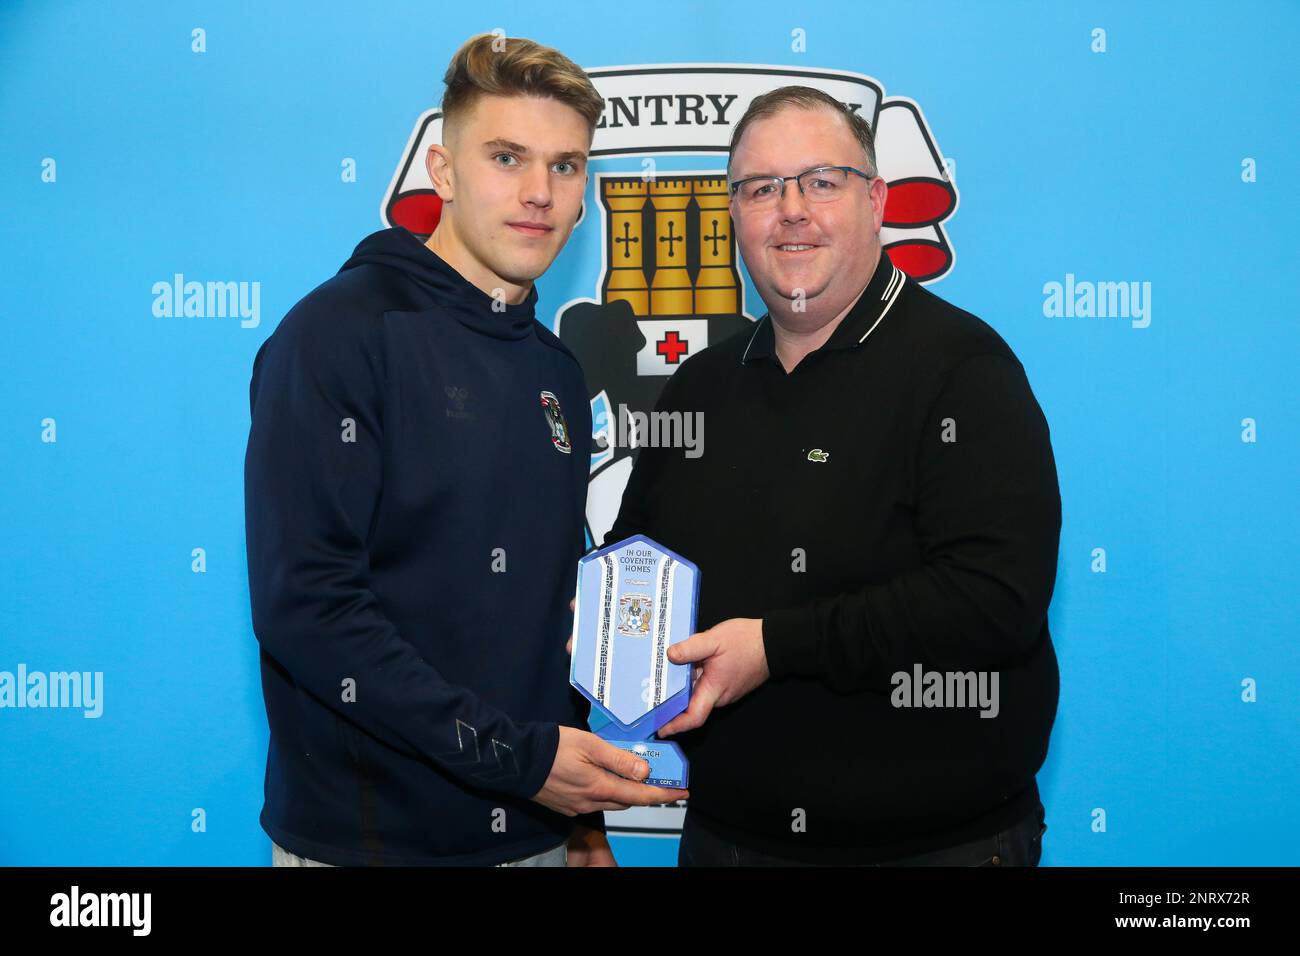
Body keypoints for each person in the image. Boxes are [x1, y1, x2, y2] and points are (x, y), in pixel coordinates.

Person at [244, 32, 686, 868]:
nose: (538, 193)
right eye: (507, 157)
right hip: (373, 846)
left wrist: (580, 817)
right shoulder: (338, 337)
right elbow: (308, 609)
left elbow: (546, 612)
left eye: (565, 165)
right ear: (442, 173)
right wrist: (519, 762)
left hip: (535, 829)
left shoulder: (555, 368)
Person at [608, 86, 1059, 866]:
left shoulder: (964, 371)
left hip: (931, 848)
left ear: (876, 200)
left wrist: (776, 647)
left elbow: (995, 600)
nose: (791, 210)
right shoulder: (698, 388)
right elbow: (632, 568)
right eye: (760, 188)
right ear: (734, 216)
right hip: (727, 839)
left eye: (821, 181)